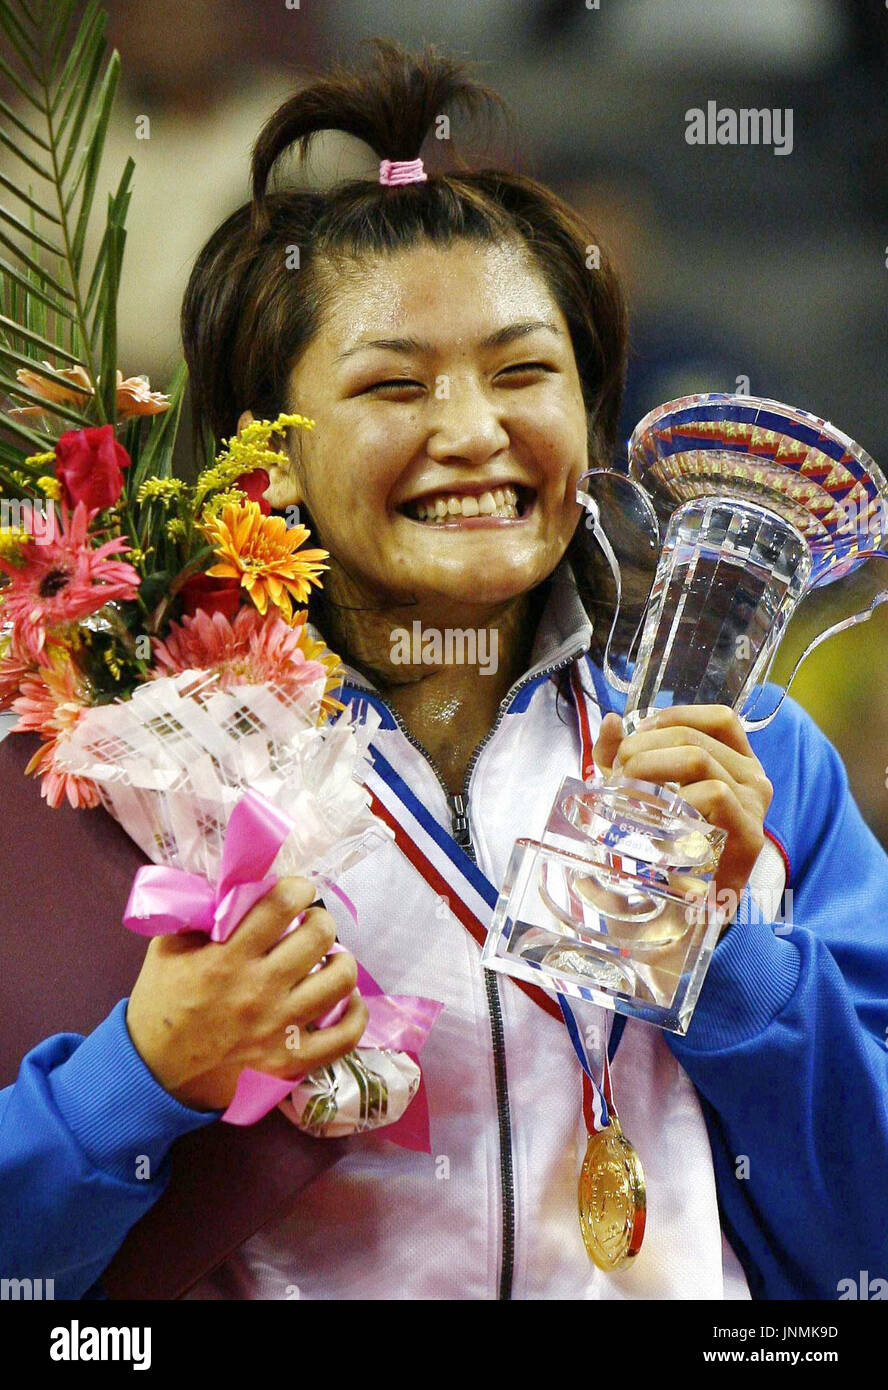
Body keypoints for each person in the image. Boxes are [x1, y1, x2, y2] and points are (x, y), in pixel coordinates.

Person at [2, 39, 887, 1301]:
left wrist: (738, 960)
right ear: (272, 455)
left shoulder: (747, 760)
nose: (475, 433)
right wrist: (137, 1079)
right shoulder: (135, 770)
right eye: (393, 384)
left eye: (527, 371)